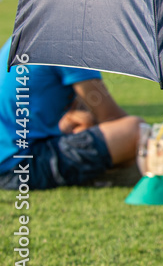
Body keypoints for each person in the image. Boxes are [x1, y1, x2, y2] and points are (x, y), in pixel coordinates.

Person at [0, 36, 145, 190]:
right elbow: (111, 116)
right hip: (21, 166)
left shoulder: (27, 35)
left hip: (10, 157)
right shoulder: (67, 43)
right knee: (135, 129)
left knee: (85, 126)